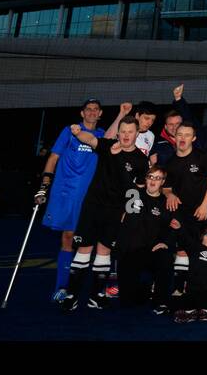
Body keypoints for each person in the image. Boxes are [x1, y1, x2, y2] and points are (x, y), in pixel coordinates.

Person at [61, 117, 150, 311]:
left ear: (137, 134)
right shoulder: (106, 145)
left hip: (115, 211)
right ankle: (72, 295)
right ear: (118, 133)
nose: (126, 135)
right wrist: (77, 133)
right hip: (93, 207)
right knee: (83, 249)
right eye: (123, 131)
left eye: (130, 132)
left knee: (104, 252)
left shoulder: (142, 161)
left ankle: (96, 296)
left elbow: (137, 191)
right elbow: (89, 139)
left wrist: (129, 213)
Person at [34, 99, 106, 300]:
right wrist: (44, 186)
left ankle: (94, 286)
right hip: (66, 192)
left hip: (91, 196)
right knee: (67, 237)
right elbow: (53, 158)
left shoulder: (102, 135)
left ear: (100, 114)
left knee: (92, 241)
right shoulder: (69, 131)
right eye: (88, 109)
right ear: (82, 113)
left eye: (95, 110)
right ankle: (62, 287)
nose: (92, 112)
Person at [161, 122, 207, 297]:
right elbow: (165, 187)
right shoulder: (169, 162)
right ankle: (180, 289)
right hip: (181, 214)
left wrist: (204, 205)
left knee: (205, 250)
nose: (183, 138)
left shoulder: (203, 157)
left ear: (193, 138)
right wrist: (169, 195)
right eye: (179, 134)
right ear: (174, 137)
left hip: (202, 212)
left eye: (187, 135)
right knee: (182, 251)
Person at [116, 166, 179, 314]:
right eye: (150, 176)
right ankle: (144, 289)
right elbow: (123, 220)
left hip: (152, 250)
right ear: (145, 178)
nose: (153, 181)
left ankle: (161, 302)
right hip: (131, 251)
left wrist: (165, 242)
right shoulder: (134, 195)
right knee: (128, 302)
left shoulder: (167, 202)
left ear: (163, 182)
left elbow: (173, 227)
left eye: (157, 178)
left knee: (165, 257)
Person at [172, 222, 207, 323]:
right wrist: (179, 228)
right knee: (182, 299)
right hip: (194, 290)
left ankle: (203, 311)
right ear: (205, 236)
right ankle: (193, 311)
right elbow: (185, 238)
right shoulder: (195, 248)